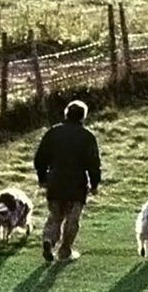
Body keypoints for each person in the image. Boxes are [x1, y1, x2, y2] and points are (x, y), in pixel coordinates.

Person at [32, 99, 103, 262]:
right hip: (77, 183)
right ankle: (65, 250)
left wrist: (42, 177)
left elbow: (40, 159)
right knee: (72, 218)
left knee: (55, 215)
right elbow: (93, 163)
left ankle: (49, 239)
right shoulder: (87, 136)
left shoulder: (53, 133)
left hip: (55, 180)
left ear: (66, 113)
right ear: (83, 117)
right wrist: (94, 183)